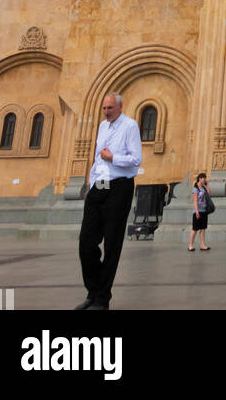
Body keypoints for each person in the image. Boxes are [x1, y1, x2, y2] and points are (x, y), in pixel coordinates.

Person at [75, 91, 142, 310]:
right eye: (104, 108)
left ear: (120, 107)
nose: (106, 112)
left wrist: (112, 158)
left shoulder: (130, 126)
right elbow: (97, 156)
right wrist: (93, 180)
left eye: (110, 108)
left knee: (112, 243)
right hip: (100, 185)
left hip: (120, 186)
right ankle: (93, 291)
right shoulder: (102, 126)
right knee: (86, 241)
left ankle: (102, 299)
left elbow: (135, 160)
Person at [189, 172, 210, 252]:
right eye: (203, 178)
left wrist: (207, 186)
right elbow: (195, 201)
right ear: (200, 179)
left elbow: (209, 195)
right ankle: (190, 245)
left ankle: (202, 245)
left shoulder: (203, 188)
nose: (205, 179)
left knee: (203, 228)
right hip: (198, 211)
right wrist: (197, 211)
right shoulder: (195, 189)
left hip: (204, 210)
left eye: (205, 178)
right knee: (195, 229)